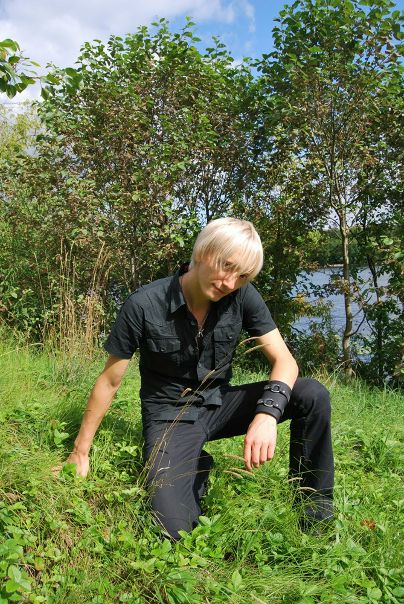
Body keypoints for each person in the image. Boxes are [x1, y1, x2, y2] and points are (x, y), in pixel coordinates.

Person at [65, 217, 334, 540]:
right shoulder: (144, 304)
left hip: (220, 404)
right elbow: (109, 382)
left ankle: (314, 517)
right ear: (204, 252)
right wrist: (80, 451)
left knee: (311, 394)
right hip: (170, 417)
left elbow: (285, 361)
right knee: (172, 530)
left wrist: (267, 414)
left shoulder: (242, 296)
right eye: (227, 266)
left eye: (242, 275)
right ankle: (197, 463)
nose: (230, 283)